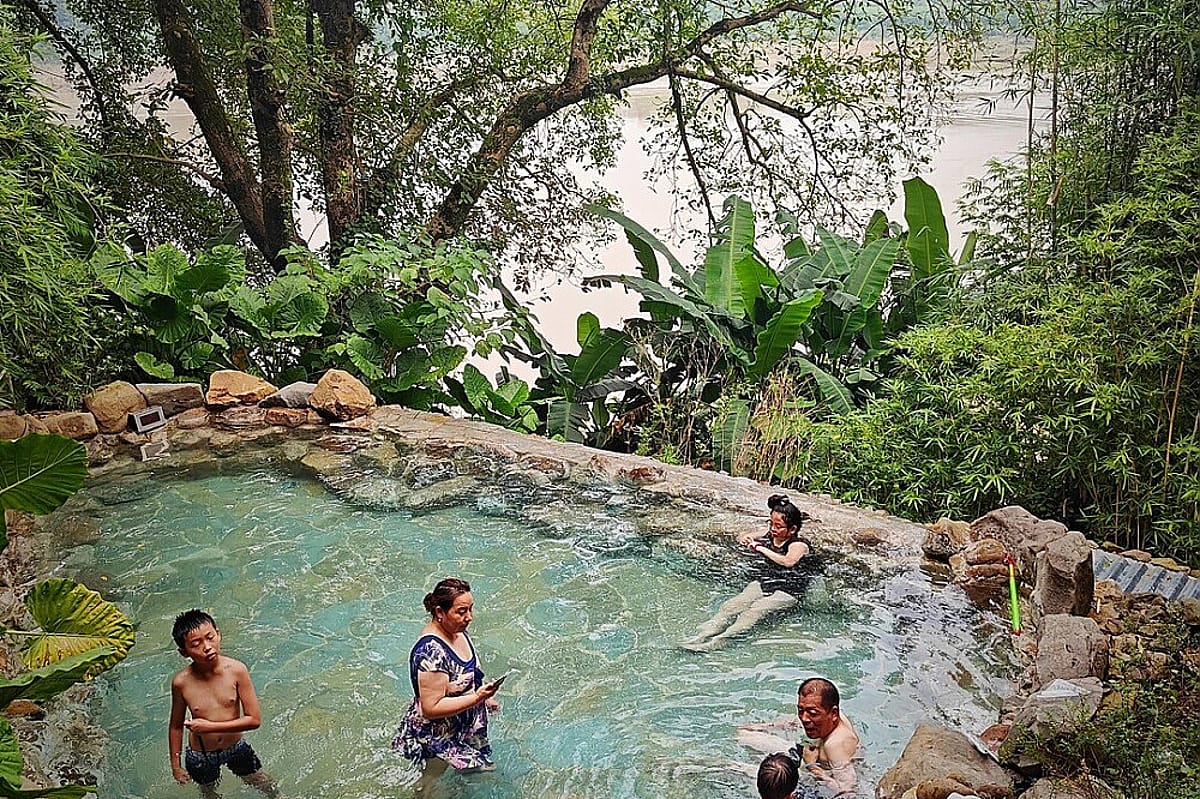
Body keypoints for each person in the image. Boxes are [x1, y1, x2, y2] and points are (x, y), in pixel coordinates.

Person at [393, 577, 502, 784]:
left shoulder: (457, 631)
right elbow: (431, 707)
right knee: (431, 783)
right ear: (440, 613)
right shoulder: (431, 652)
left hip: (460, 723)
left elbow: (466, 672)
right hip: (437, 735)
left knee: (474, 773)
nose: (469, 617)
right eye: (461, 611)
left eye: (470, 609)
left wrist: (484, 696)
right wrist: (478, 698)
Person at [168, 609, 278, 798]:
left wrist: (210, 727)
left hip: (236, 746)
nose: (207, 647)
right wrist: (176, 766)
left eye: (210, 637)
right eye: (196, 644)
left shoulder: (237, 670)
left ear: (218, 634)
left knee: (265, 783)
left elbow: (254, 720)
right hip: (201, 755)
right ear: (183, 652)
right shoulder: (181, 682)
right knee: (209, 792)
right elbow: (176, 726)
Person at [680, 494, 813, 650]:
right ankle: (701, 636)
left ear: (792, 529)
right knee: (731, 606)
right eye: (771, 523)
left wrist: (759, 547)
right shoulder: (772, 533)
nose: (773, 529)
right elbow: (744, 536)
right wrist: (745, 539)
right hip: (767, 581)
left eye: (778, 526)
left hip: (790, 590)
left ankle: (719, 641)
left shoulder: (799, 545)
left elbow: (788, 561)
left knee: (754, 611)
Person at [738, 678, 861, 797]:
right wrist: (764, 727)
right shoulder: (833, 715)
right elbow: (795, 721)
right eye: (801, 710)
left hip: (814, 774)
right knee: (744, 734)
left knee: (772, 778)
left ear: (833, 713)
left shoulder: (835, 746)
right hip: (808, 756)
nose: (804, 718)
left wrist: (812, 766)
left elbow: (848, 793)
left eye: (812, 713)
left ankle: (729, 768)